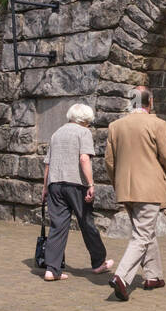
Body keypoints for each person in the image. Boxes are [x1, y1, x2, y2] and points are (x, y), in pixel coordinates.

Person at [105, 87, 166, 301]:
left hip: (126, 188)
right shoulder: (157, 124)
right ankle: (122, 277)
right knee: (142, 235)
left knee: (144, 231)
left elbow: (109, 161)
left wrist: (117, 182)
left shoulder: (115, 126)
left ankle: (154, 276)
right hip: (149, 188)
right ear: (150, 102)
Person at [41, 103, 112, 280]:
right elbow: (84, 158)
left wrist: (44, 188)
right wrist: (91, 184)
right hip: (76, 184)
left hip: (55, 184)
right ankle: (98, 262)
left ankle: (52, 269)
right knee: (87, 223)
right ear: (86, 120)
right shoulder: (83, 132)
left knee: (58, 226)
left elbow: (48, 164)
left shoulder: (56, 133)